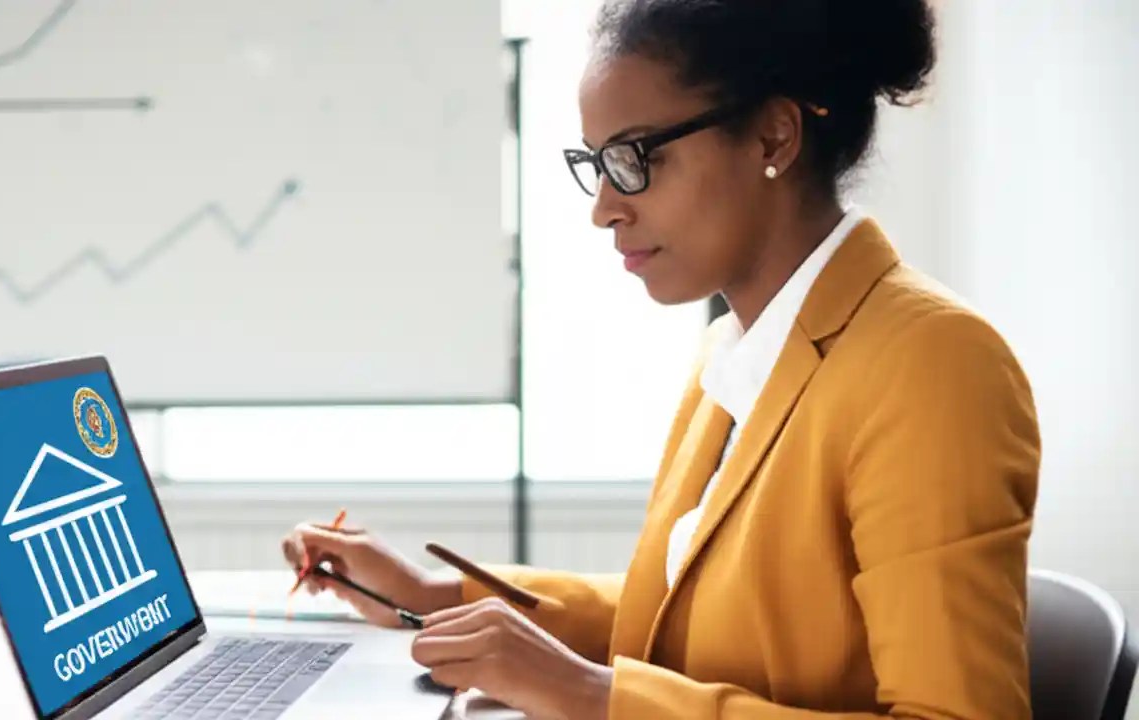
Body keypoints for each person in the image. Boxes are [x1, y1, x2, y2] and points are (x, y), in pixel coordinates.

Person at [283, 0, 1041, 717]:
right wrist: (436, 594)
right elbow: (678, 618)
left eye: (635, 158)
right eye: (597, 164)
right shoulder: (735, 350)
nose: (605, 207)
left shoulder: (932, 366)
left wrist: (593, 697)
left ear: (774, 138)